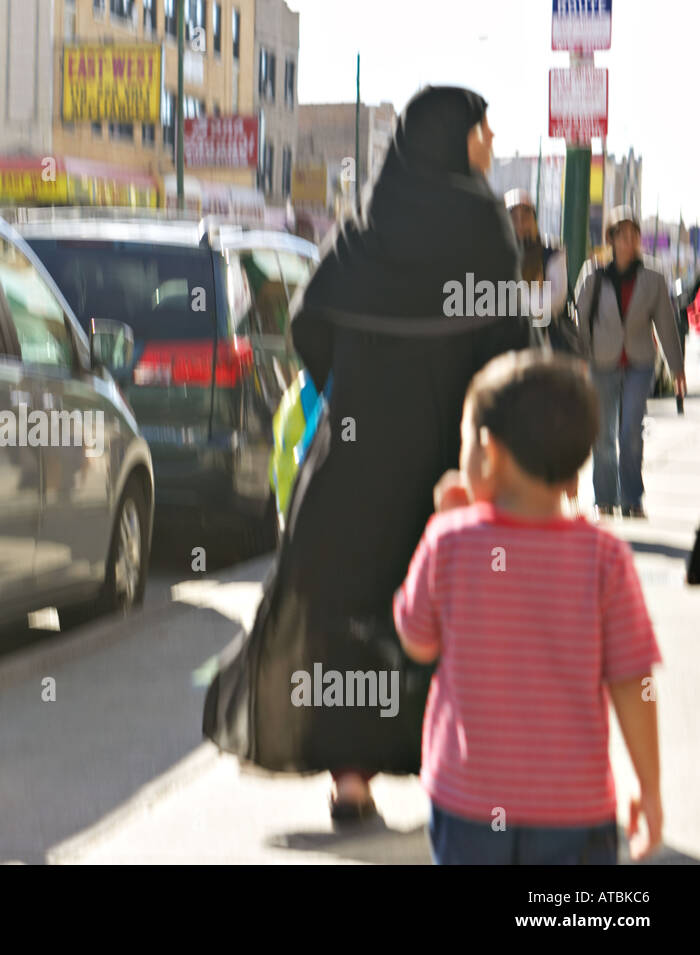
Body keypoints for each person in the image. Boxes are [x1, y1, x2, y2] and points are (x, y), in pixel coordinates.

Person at [202, 86, 531, 820]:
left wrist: (354, 386)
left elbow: (310, 323)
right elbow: (511, 350)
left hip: (352, 465)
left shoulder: (366, 232)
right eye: (484, 127)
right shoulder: (482, 230)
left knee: (346, 611)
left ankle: (350, 777)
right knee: (456, 614)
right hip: (452, 470)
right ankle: (463, 777)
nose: (490, 139)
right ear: (456, 139)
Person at [395, 351, 663, 864]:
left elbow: (418, 639)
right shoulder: (605, 558)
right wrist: (649, 789)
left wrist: (442, 530)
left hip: (467, 802)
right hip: (576, 810)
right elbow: (634, 680)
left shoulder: (449, 540)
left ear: (488, 453)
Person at [574, 207, 686, 519]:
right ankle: (604, 499)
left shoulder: (653, 277)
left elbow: (666, 324)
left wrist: (677, 367)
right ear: (610, 238)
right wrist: (579, 364)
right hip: (600, 362)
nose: (629, 240)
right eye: (622, 234)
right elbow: (580, 322)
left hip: (639, 363)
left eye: (634, 234)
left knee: (630, 432)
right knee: (603, 436)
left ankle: (632, 499)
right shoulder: (592, 274)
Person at [505, 187, 567, 335]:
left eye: (525, 217)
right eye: (514, 218)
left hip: (541, 337)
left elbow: (557, 299)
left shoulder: (552, 253)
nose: (520, 224)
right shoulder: (498, 254)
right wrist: (536, 294)